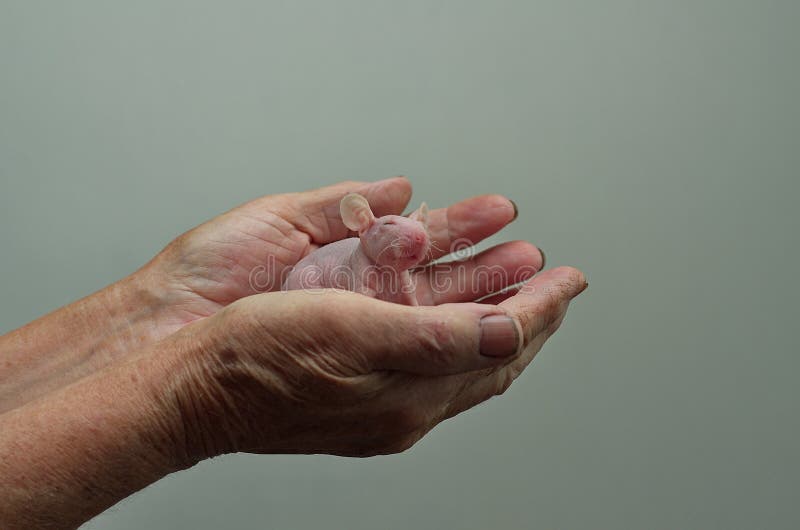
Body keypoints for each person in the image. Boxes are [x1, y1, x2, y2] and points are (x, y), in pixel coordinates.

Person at [0, 177, 587, 529]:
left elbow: (400, 291)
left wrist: (143, 315)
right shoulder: (351, 260)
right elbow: (368, 291)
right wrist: (198, 393)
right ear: (363, 226)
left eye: (412, 248)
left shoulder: (386, 262)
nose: (410, 255)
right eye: (398, 244)